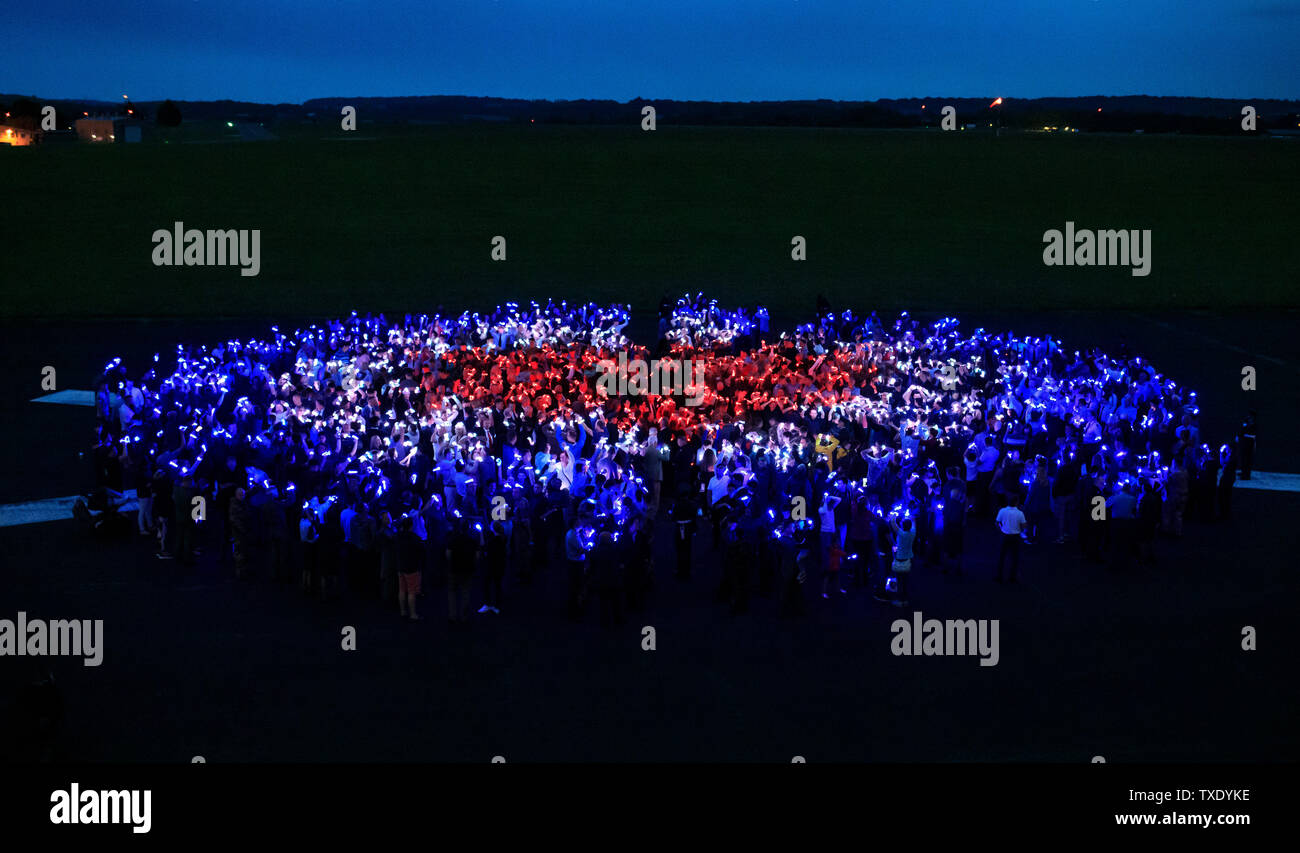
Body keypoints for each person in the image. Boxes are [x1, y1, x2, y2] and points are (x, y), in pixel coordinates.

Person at [994, 493, 1026, 583]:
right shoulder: (1020, 513)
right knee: (1015, 557)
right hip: (1015, 537)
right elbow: (1024, 525)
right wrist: (1020, 529)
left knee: (1001, 556)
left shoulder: (1002, 511)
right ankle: (1013, 577)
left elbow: (996, 523)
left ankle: (999, 576)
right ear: (1017, 502)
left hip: (1004, 535)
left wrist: (1001, 530)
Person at [396, 517, 423, 620]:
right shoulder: (415, 538)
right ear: (412, 526)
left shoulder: (398, 536)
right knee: (411, 591)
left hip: (400, 565)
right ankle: (413, 614)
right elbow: (421, 552)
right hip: (412, 567)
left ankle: (403, 611)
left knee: (402, 590)